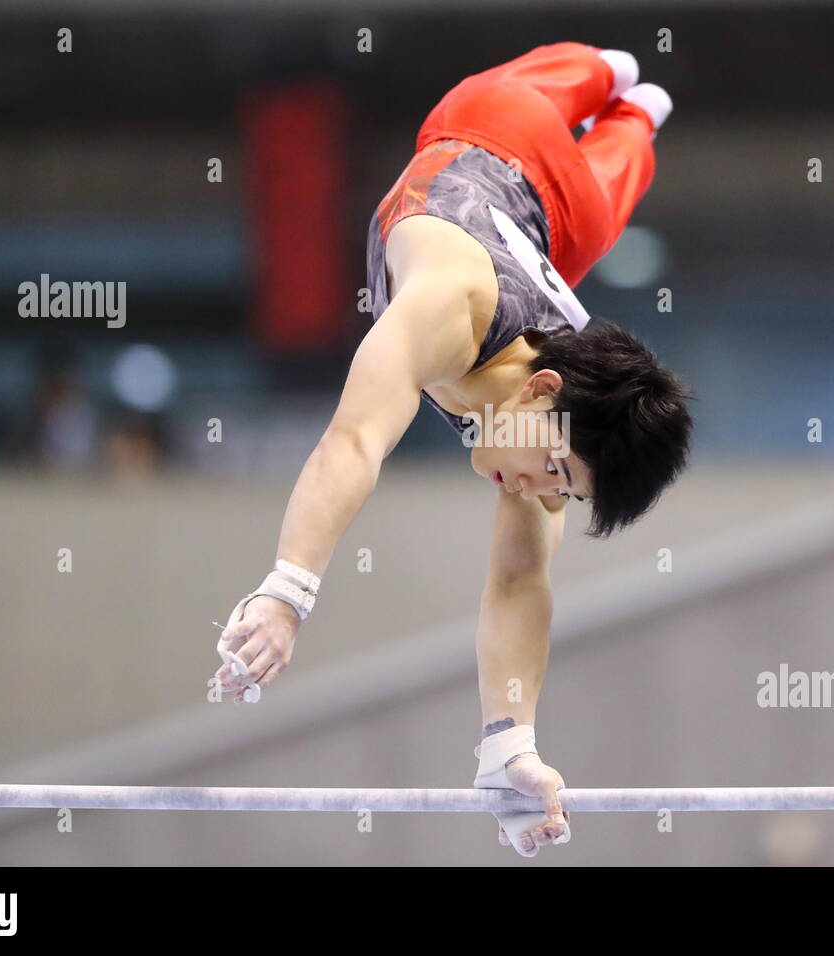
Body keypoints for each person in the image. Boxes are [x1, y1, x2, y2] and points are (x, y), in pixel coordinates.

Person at [215, 42, 693, 857]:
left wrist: (511, 749)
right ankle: (610, 75)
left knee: (600, 201)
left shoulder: (548, 433)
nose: (548, 492)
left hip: (542, 233)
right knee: (556, 117)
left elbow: (519, 580)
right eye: (559, 472)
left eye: (567, 492)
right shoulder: (447, 304)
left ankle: (639, 120)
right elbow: (354, 442)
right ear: (541, 392)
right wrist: (286, 593)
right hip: (492, 137)